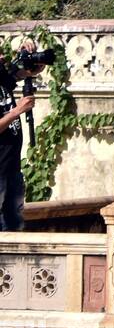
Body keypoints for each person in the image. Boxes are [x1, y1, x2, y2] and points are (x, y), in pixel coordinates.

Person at [0, 39, 46, 232]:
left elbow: (20, 74)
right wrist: (16, 111)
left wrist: (33, 64)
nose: (2, 57)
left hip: (12, 168)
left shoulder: (1, 75)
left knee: (14, 228)